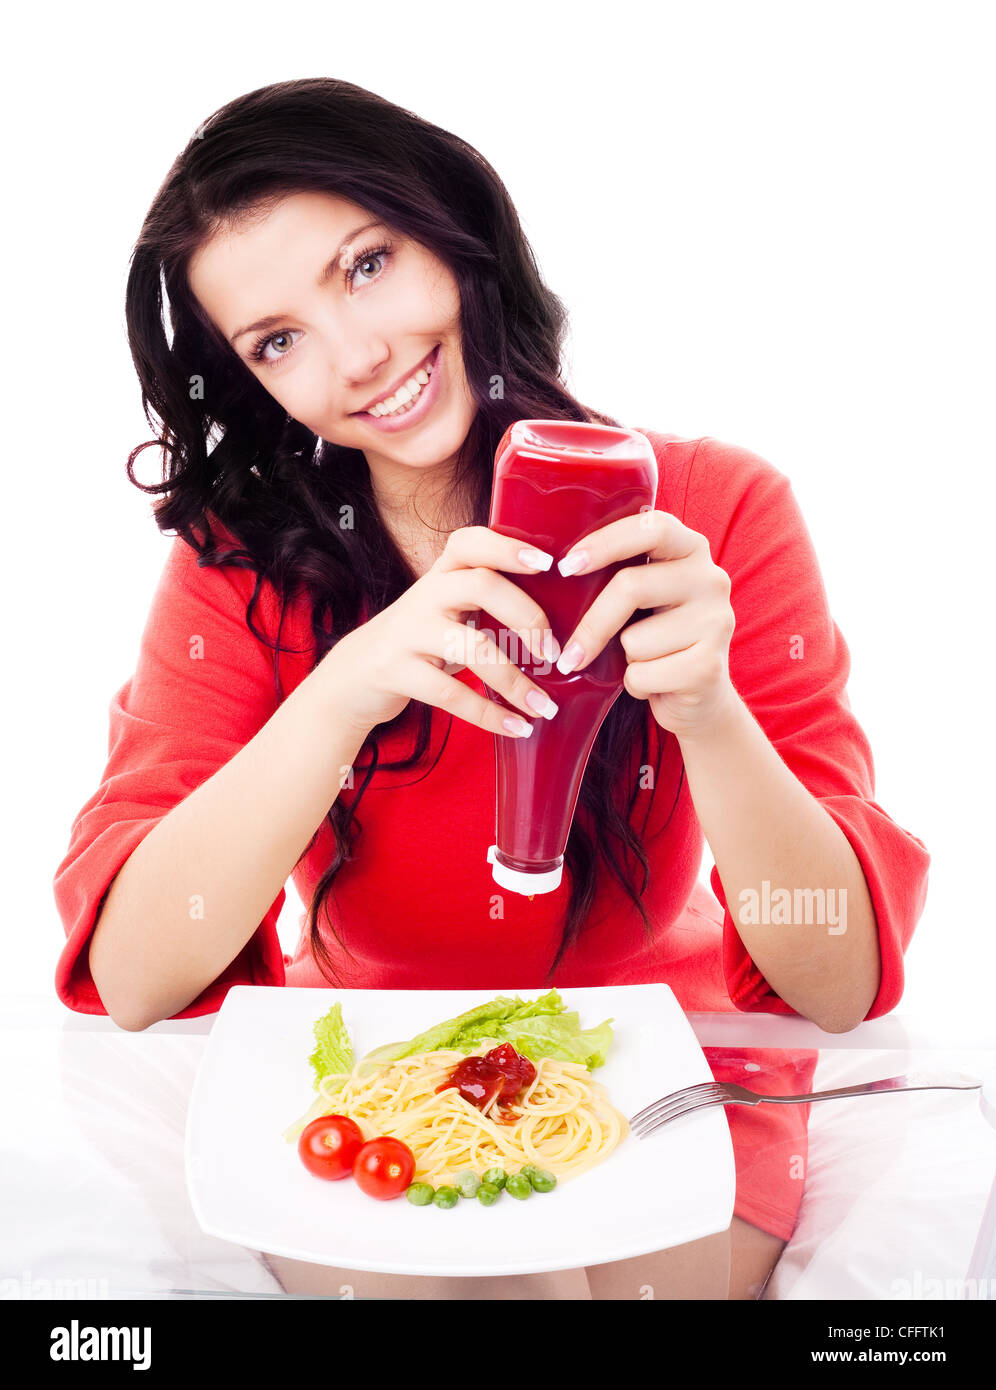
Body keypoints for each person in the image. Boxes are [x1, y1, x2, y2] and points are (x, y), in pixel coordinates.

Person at [53, 77, 930, 1300]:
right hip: (372, 1071)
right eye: (277, 341)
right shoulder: (240, 568)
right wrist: (345, 687)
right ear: (251, 382)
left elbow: (835, 980)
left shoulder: (716, 507)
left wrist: (709, 710)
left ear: (453, 232)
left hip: (667, 1069)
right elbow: (142, 978)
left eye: (368, 265)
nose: (358, 357)